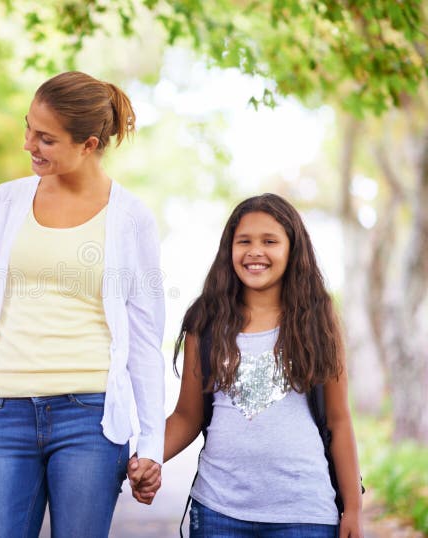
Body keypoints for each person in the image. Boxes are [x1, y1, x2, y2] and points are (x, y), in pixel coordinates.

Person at [0, 71, 166, 538]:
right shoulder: (4, 202)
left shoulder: (131, 218)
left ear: (88, 144)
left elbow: (145, 338)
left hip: (91, 418)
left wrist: (151, 445)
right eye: (28, 128)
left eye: (45, 138)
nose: (28, 145)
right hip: (5, 413)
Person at [130, 194, 364, 537]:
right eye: (244, 242)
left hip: (305, 513)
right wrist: (148, 457)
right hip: (217, 513)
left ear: (292, 249)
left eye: (269, 241)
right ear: (230, 250)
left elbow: (339, 421)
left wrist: (354, 510)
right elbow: (187, 416)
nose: (255, 251)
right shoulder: (206, 321)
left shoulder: (317, 320)